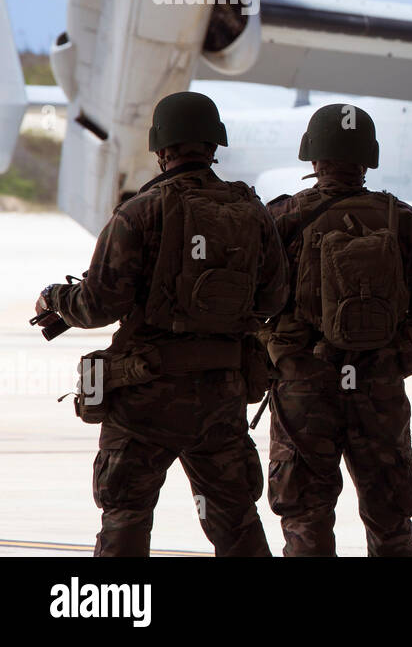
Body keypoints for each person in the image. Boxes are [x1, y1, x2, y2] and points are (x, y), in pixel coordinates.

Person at [35, 91, 288, 556]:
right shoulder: (252, 214)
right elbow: (272, 298)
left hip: (142, 400)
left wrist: (56, 298)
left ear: (160, 148)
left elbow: (97, 305)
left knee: (126, 518)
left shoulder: (138, 213)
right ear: (215, 146)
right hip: (220, 395)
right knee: (235, 521)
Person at [261, 102, 412, 556]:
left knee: (306, 521)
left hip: (303, 389)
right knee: (391, 523)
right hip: (379, 388)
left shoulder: (282, 219)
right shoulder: (402, 219)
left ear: (312, 155)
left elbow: (254, 300)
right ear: (368, 156)